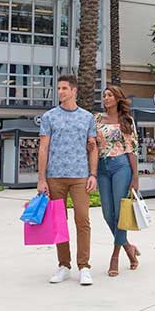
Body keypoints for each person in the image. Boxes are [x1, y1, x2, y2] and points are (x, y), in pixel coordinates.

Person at [37, 75, 98, 286]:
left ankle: (84, 267)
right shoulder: (49, 117)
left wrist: (93, 174)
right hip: (55, 178)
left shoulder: (87, 117)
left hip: (80, 177)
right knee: (58, 223)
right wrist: (41, 179)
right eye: (59, 88)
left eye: (64, 88)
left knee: (83, 220)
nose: (60, 92)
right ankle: (64, 265)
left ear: (74, 91)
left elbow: (93, 147)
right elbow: (43, 148)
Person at [95, 86, 141, 278]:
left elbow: (131, 149)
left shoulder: (126, 121)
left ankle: (115, 256)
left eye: (109, 95)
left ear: (117, 99)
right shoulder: (96, 119)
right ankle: (128, 247)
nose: (105, 98)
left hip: (121, 165)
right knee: (107, 213)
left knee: (119, 212)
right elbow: (90, 142)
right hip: (101, 167)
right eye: (104, 95)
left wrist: (135, 177)